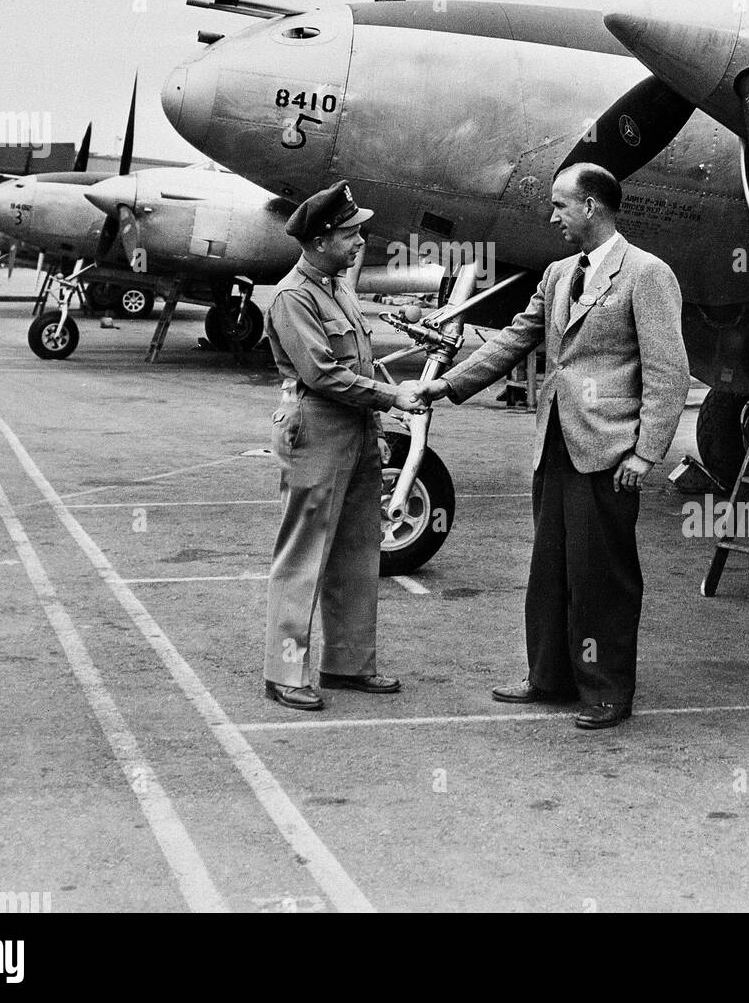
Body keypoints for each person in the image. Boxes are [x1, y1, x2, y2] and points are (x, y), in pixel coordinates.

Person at [415, 163, 689, 729]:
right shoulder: (560, 273)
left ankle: (607, 691)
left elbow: (669, 372)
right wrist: (448, 384)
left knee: (601, 578)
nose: (552, 215)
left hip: (609, 449)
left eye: (561, 205)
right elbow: (517, 338)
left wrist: (644, 453)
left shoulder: (647, 273)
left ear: (592, 207)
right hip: (556, 443)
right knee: (551, 570)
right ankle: (550, 677)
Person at [263, 180, 424, 711]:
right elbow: (323, 373)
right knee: (304, 554)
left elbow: (356, 364)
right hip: (315, 428)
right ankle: (285, 672)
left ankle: (347, 664)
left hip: (354, 428)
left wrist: (375, 432)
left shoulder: (339, 288)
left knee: (358, 550)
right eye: (351, 233)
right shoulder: (294, 297)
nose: (359, 242)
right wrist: (391, 397)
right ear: (319, 240)